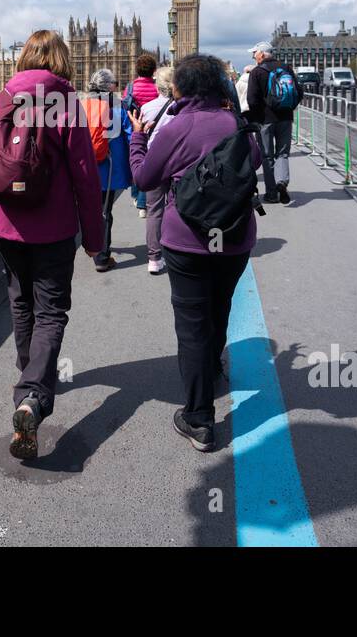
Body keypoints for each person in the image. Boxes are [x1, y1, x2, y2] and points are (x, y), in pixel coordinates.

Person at [0, 30, 104, 461]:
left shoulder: (1, 101)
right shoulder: (66, 104)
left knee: (20, 303)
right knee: (51, 311)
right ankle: (32, 394)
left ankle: (28, 377)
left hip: (6, 226)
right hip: (53, 230)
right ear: (62, 62)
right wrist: (95, 238)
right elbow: (86, 178)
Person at [129, 54, 261, 452]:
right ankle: (213, 367)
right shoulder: (236, 124)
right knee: (219, 306)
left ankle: (200, 418)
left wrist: (138, 138)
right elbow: (253, 162)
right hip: (233, 239)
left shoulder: (175, 127)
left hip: (187, 240)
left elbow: (144, 177)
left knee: (191, 324)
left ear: (180, 88)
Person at [83, 68, 133, 272]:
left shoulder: (81, 107)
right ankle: (102, 257)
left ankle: (91, 247)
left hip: (84, 169)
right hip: (109, 171)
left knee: (88, 210)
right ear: (109, 87)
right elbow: (131, 137)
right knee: (105, 211)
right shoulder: (118, 107)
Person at [139, 65, 179, 275]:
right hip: (177, 162)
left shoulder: (147, 108)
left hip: (153, 161)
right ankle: (177, 251)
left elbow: (141, 137)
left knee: (154, 210)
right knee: (178, 206)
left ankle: (154, 258)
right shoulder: (183, 108)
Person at [245, 40, 296, 205]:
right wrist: (288, 108)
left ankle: (272, 193)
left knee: (267, 156)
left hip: (265, 120)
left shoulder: (257, 72)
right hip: (285, 118)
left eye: (254, 53)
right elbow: (298, 93)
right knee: (283, 153)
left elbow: (252, 100)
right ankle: (282, 181)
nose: (253, 56)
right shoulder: (286, 68)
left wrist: (257, 115)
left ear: (261, 53)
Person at [124, 54, 160, 218]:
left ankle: (136, 195)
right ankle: (142, 204)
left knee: (135, 161)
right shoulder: (157, 88)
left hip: (134, 130)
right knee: (149, 165)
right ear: (153, 70)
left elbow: (126, 108)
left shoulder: (130, 87)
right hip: (153, 130)